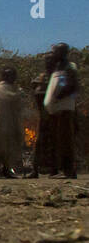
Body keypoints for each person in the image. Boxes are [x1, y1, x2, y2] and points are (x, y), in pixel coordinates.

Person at [44, 43, 79, 178]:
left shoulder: (70, 67)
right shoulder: (57, 68)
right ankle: (60, 170)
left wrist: (59, 97)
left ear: (62, 53)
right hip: (56, 109)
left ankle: (69, 171)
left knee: (66, 141)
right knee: (57, 141)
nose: (53, 54)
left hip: (64, 109)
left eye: (55, 52)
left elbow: (73, 88)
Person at [0, 67, 25, 178]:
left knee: (9, 150)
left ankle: (7, 170)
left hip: (12, 124)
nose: (14, 78)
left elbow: (18, 108)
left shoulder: (16, 90)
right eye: (11, 76)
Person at [31, 55, 55, 177]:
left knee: (54, 143)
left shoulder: (55, 77)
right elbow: (35, 87)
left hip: (54, 115)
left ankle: (54, 169)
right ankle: (35, 169)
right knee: (39, 143)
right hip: (42, 115)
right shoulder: (41, 77)